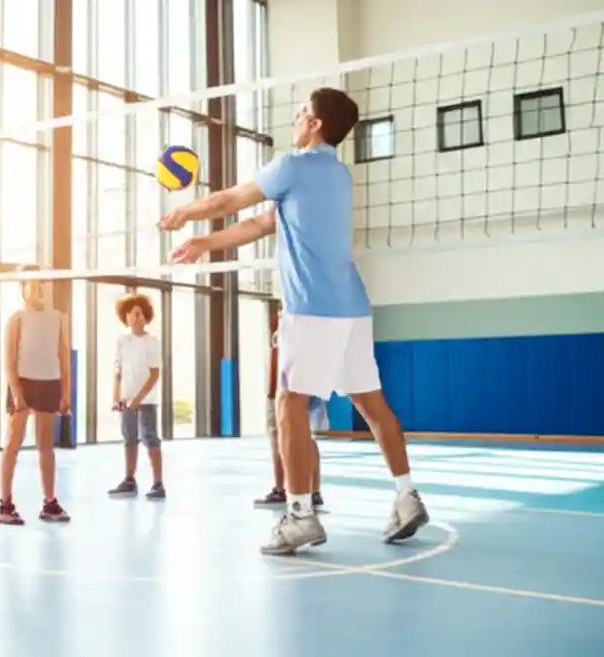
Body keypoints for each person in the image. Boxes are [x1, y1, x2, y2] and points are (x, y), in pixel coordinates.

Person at [163, 87, 429, 555]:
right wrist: (205, 244)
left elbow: (231, 199)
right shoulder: (338, 175)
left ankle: (301, 515)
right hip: (353, 308)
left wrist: (188, 211)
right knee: (373, 406)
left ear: (315, 125)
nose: (297, 116)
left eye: (302, 111)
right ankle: (408, 497)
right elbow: (265, 224)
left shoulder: (291, 165)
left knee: (288, 405)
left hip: (311, 308)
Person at [0, 268, 72, 525]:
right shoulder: (17, 319)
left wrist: (65, 393)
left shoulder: (58, 318)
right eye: (32, 285)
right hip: (24, 383)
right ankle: (5, 504)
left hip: (49, 383)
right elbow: (9, 360)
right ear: (23, 289)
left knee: (46, 446)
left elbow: (64, 356)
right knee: (12, 444)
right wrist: (17, 393)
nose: (38, 290)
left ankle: (50, 503)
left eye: (42, 284)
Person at [254, 327, 324, 511]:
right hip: (309, 386)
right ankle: (313, 490)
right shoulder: (313, 329)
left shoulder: (289, 328)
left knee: (279, 438)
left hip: (288, 391)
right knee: (307, 438)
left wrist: (272, 394)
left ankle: (281, 489)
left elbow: (278, 364)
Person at [107, 292, 165, 500]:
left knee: (150, 438)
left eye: (140, 313)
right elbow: (117, 369)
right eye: (132, 314)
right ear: (126, 317)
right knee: (129, 439)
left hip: (146, 400)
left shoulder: (152, 342)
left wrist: (138, 399)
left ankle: (158, 483)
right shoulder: (122, 341)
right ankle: (129, 481)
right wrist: (116, 396)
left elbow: (154, 373)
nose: (137, 317)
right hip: (126, 399)